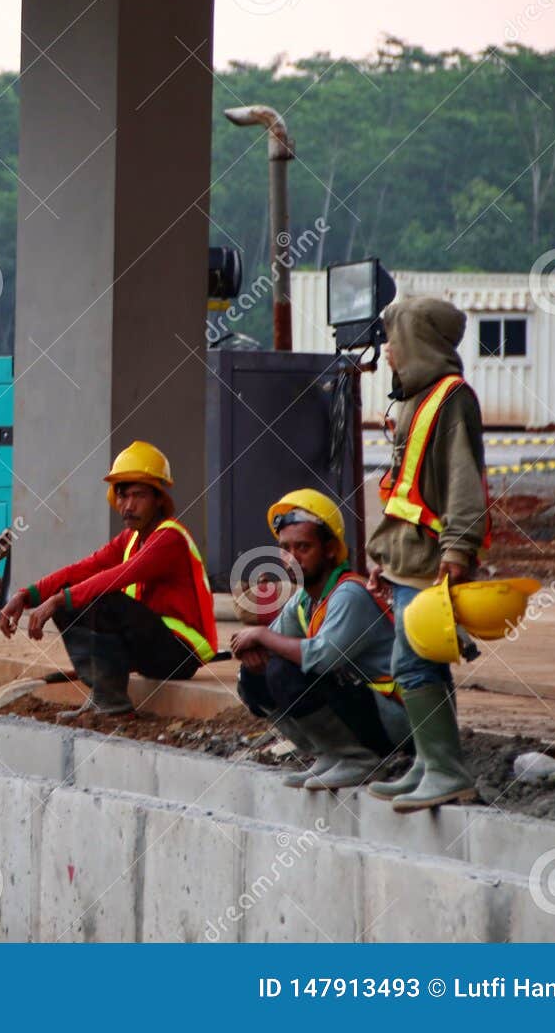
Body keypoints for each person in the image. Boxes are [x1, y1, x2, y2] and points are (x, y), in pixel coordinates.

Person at [365, 296, 490, 812]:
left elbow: (464, 485)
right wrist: (383, 553)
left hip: (430, 561)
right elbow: (404, 492)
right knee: (421, 665)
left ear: (416, 341)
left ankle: (446, 768)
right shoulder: (417, 401)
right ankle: (428, 760)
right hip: (407, 559)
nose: (388, 351)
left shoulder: (451, 399)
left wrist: (458, 550)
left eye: (393, 339)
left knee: (412, 665)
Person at [0, 441, 217, 716]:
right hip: (152, 647)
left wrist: (57, 600)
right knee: (72, 593)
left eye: (138, 496)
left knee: (97, 599)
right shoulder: (131, 537)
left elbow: (118, 576)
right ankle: (104, 692)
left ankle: (111, 700)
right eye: (123, 497)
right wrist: (27, 595)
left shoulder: (169, 538)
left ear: (159, 498)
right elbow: (83, 569)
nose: (128, 506)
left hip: (179, 654)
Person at [229, 489, 408, 790]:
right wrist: (253, 649)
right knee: (254, 677)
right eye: (285, 548)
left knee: (285, 671)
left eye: (303, 547)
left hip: (396, 720)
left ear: (328, 549)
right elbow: (272, 642)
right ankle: (327, 752)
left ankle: (358, 760)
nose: (292, 558)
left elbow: (322, 657)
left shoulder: (349, 594)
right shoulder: (303, 601)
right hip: (367, 712)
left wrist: (261, 636)